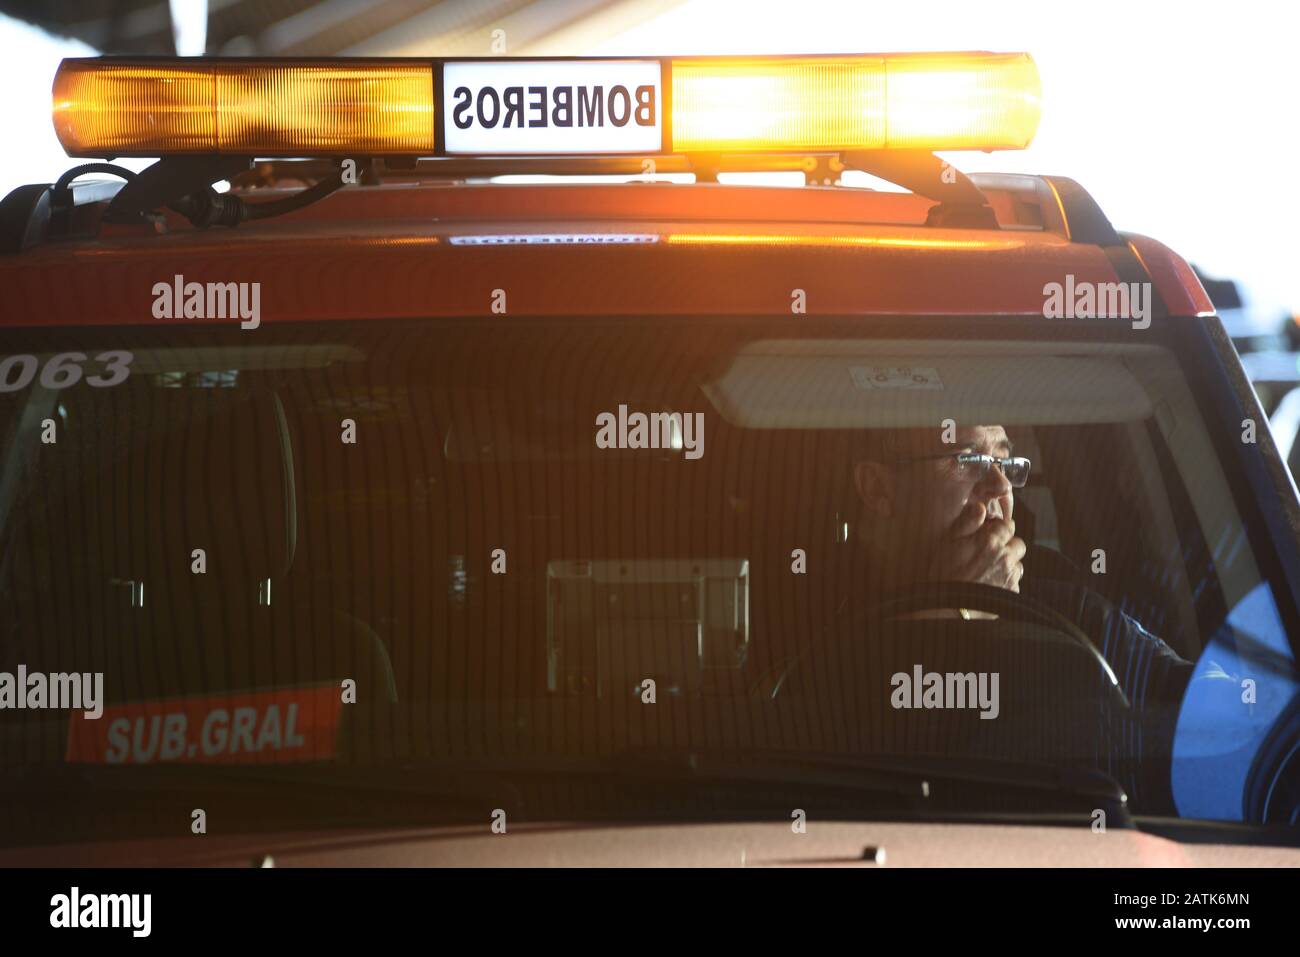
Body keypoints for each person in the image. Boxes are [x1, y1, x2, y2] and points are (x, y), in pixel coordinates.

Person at [842, 423, 1194, 810]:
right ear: (877, 487)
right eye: (966, 459)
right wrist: (954, 610)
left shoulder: (1066, 610)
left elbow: (1204, 702)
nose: (1001, 486)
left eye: (1003, 461)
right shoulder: (803, 615)